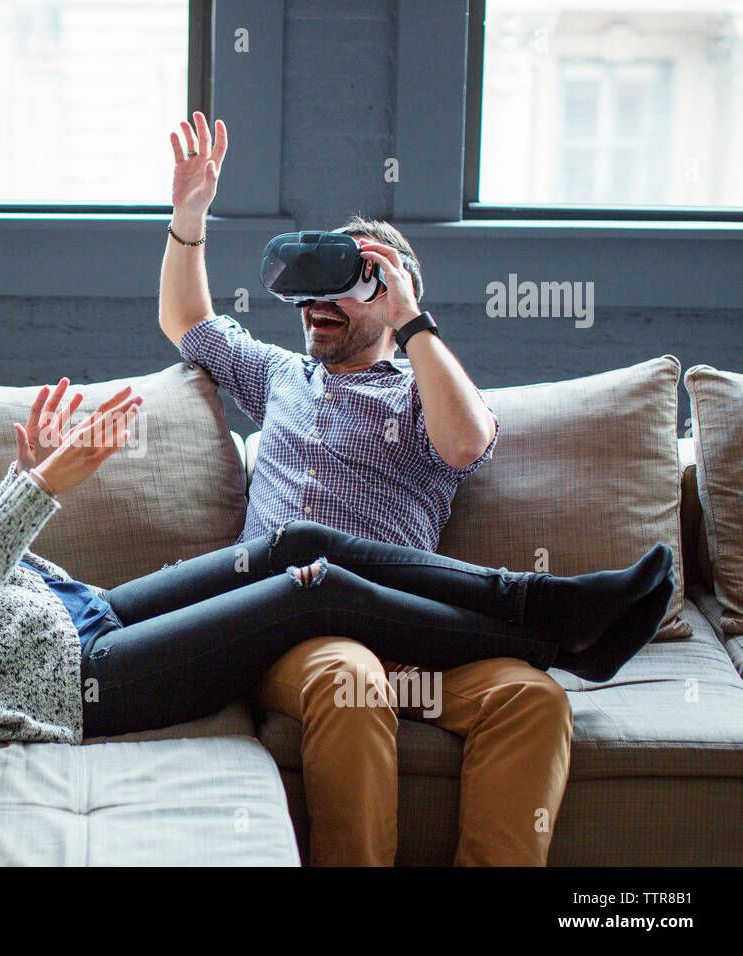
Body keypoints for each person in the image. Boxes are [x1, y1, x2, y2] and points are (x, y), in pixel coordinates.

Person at [0, 274, 673, 780]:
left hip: (78, 619)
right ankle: (561, 637)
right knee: (308, 593)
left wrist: (22, 477)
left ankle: (549, 605)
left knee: (299, 544)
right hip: (64, 685)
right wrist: (41, 486)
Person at [157, 112, 676, 866]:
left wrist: (411, 321)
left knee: (533, 699)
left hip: (418, 636)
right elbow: (188, 321)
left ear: (394, 296)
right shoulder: (278, 376)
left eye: (349, 284)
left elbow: (465, 441)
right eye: (309, 288)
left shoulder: (423, 392)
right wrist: (189, 214)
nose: (316, 304)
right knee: (349, 678)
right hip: (299, 628)